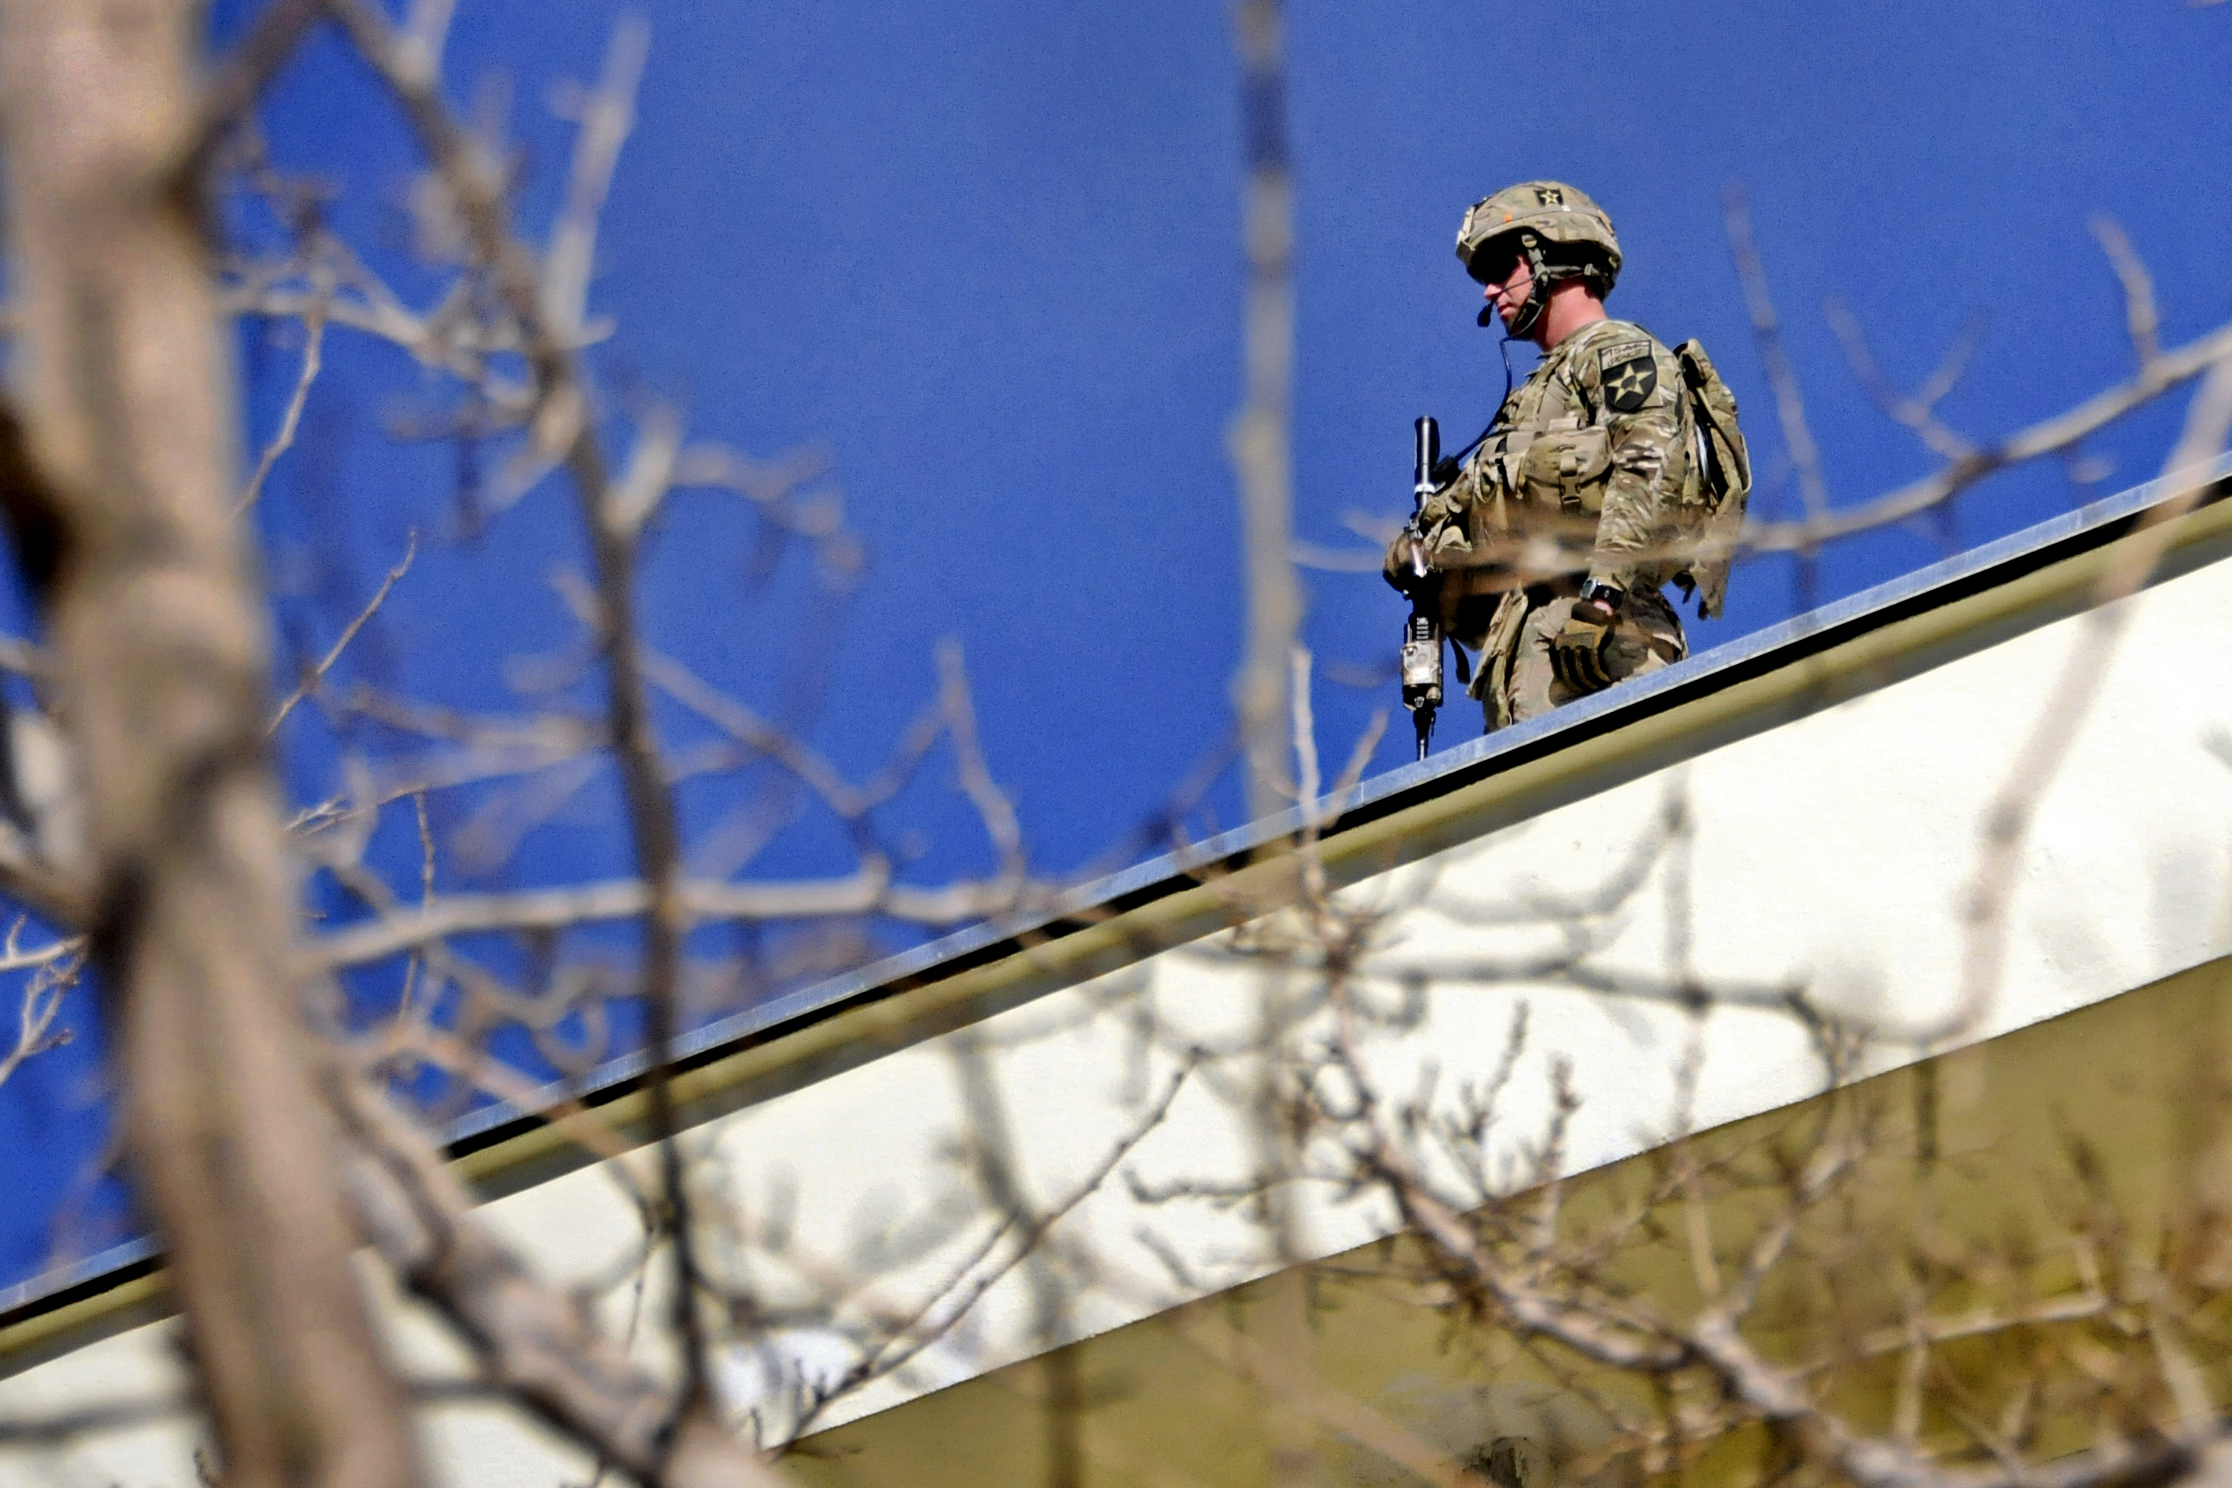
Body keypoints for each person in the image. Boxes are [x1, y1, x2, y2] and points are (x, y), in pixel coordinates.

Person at [1387, 181, 1745, 732]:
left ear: (1552, 257)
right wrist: (1425, 559)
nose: (1489, 291)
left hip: (1608, 644)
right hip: (1526, 667)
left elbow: (1649, 461)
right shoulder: (1528, 405)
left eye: (1502, 268)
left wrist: (1602, 600)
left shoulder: (1616, 352)